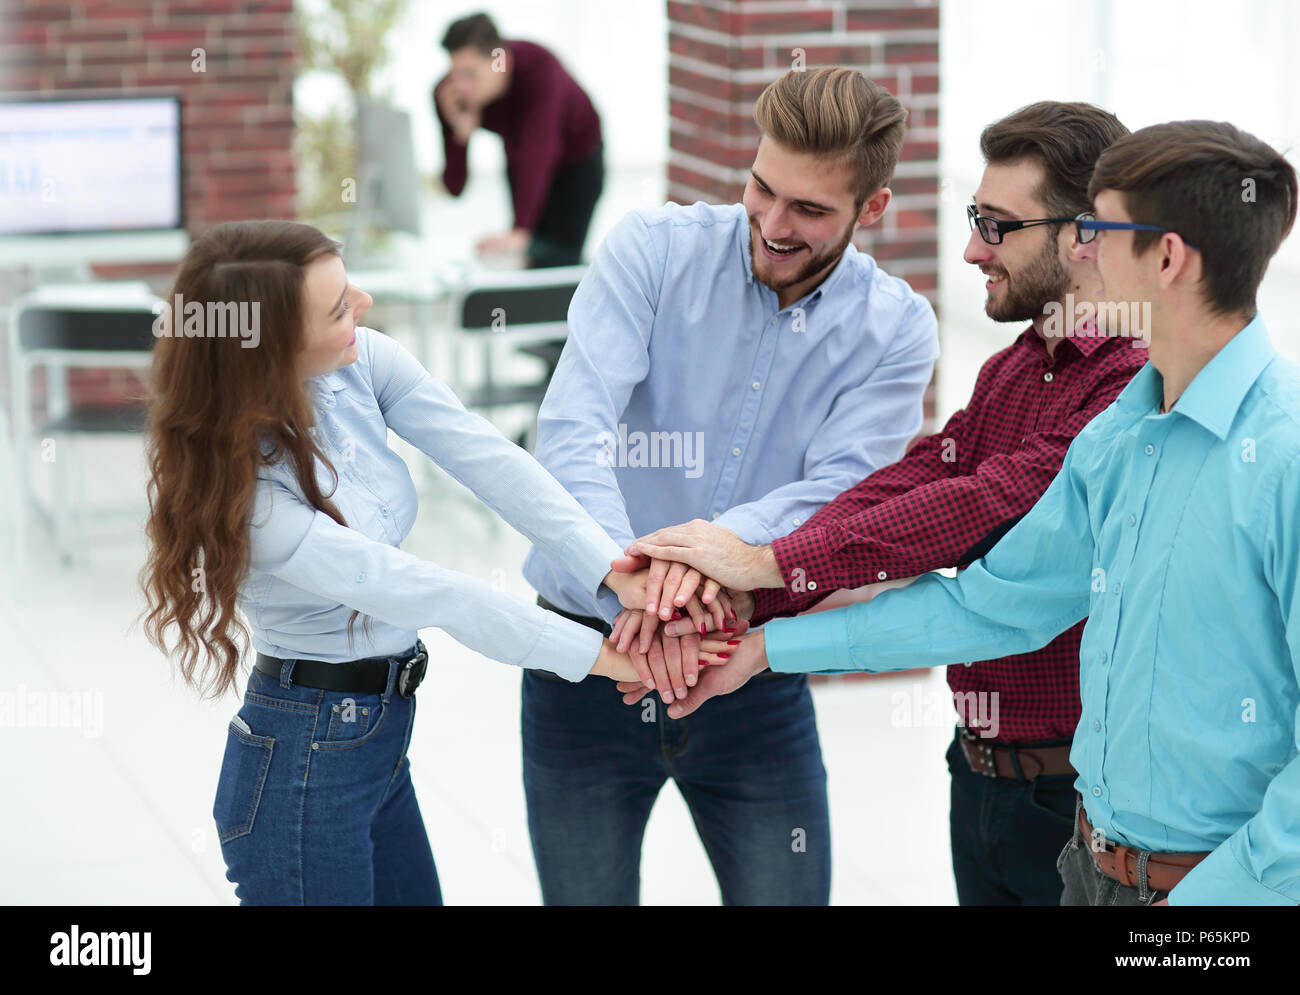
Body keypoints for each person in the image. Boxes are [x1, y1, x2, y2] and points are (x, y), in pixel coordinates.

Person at [650, 121, 1300, 906]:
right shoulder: (1119, 439)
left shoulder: (1283, 462)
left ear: (1166, 258)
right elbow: (993, 606)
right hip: (1091, 870)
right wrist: (763, 647)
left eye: (1098, 230)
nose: (1083, 250)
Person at [138, 220, 655, 905]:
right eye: (337, 306)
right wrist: (609, 655)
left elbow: (491, 460)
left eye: (346, 282)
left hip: (375, 744)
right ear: (270, 354)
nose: (365, 301)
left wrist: (614, 571)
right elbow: (431, 594)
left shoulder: (358, 364)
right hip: (305, 765)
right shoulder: (252, 496)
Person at [519, 67, 940, 905]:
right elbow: (572, 429)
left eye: (811, 210)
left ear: (873, 209)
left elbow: (844, 491)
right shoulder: (650, 249)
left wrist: (690, 567)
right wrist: (629, 586)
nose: (774, 224)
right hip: (585, 665)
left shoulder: (896, 330)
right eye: (762, 187)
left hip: (750, 674)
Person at [435, 12, 603, 268]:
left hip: (577, 159)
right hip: (520, 157)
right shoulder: (450, 94)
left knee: (559, 257)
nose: (461, 86)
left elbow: (540, 150)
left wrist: (520, 231)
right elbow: (454, 187)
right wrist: (460, 136)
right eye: (455, 72)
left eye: (470, 74)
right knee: (527, 257)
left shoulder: (539, 70)